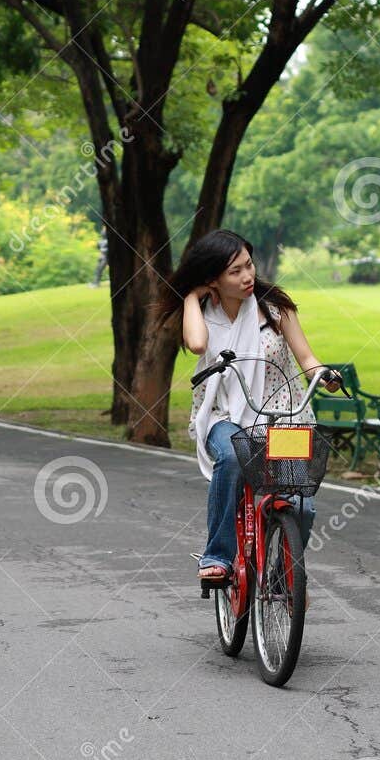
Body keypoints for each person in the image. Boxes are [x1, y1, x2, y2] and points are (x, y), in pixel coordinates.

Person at [155, 230, 341, 584]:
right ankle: (217, 557)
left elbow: (306, 358)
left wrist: (325, 375)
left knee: (301, 505)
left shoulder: (275, 307)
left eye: (249, 265)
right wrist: (192, 297)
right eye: (235, 271)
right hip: (225, 416)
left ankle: (284, 579)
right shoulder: (204, 313)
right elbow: (196, 345)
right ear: (213, 279)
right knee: (231, 456)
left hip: (284, 416)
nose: (247, 276)